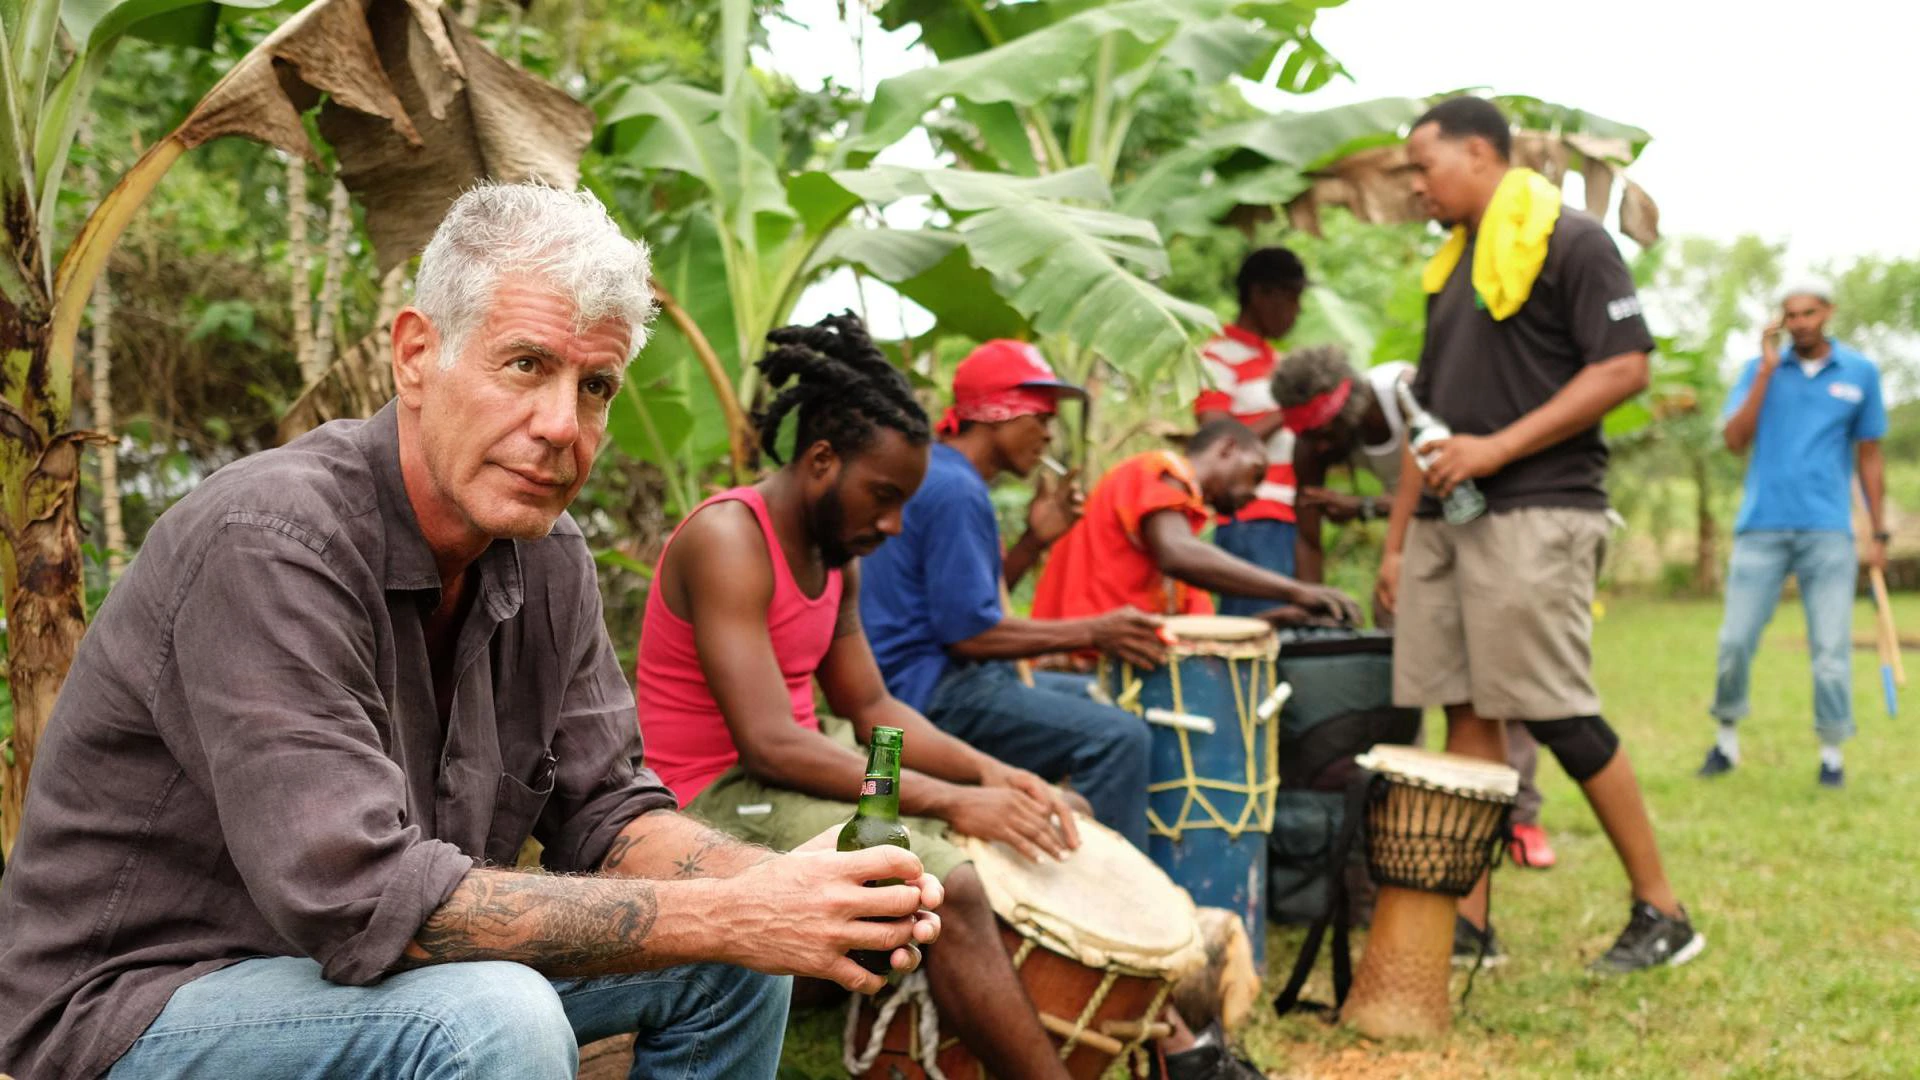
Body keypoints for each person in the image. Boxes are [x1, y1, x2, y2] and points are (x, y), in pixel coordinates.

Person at [0, 184, 942, 1080]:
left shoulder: (546, 554)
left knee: (738, 960)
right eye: (526, 365)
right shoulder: (272, 542)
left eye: (596, 386)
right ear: (416, 354)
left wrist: (785, 891)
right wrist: (731, 912)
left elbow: (610, 814)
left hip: (358, 980)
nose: (559, 426)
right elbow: (363, 897)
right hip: (140, 1007)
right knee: (495, 1013)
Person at [636, 313, 1098, 1080]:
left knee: (1040, 817)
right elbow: (770, 742)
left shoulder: (834, 555)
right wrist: (948, 801)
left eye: (901, 505)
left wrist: (987, 775)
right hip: (705, 795)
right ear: (821, 460)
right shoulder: (729, 540)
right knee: (947, 881)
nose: (889, 525)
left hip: (784, 775)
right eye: (880, 496)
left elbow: (875, 710)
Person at [1377, 97, 1704, 973]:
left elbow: (1626, 367)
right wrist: (1398, 539)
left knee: (1556, 709)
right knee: (1468, 712)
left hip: (1539, 510)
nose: (1415, 186)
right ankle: (1470, 927)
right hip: (1452, 521)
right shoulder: (1452, 269)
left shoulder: (1570, 239)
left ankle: (1663, 912)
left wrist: (1498, 450)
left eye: (1423, 166)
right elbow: (1428, 413)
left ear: (1479, 153)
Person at [859, 340, 1165, 849]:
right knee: (1119, 737)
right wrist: (1097, 630)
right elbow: (970, 635)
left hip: (942, 677)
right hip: (931, 693)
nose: (1047, 433)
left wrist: (1033, 541)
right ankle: (1108, 905)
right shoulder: (957, 489)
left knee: (1093, 697)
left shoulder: (946, 475)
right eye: (1040, 417)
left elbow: (963, 606)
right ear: (997, 415)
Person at [1275, 345, 1558, 871]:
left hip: (1477, 529)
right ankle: (1415, 800)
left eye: (1325, 433)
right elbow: (1308, 538)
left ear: (1352, 403)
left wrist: (1364, 510)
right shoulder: (1311, 444)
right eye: (1307, 436)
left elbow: (1455, 479)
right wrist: (1310, 610)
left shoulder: (1405, 393)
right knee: (1408, 681)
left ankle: (1521, 815)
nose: (1317, 446)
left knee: (1499, 683)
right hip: (1409, 554)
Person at [1704, 284, 1888, 787]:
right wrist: (1765, 368)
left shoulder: (1859, 374)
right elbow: (1734, 441)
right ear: (1780, 322)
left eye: (1809, 312)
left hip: (1828, 530)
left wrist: (1879, 530)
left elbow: (1869, 456)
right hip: (1760, 527)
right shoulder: (1759, 371)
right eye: (1791, 315)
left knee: (1831, 650)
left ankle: (1832, 755)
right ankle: (1725, 741)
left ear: (1827, 313)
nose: (1802, 322)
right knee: (1735, 641)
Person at [1030, 420, 1360, 627]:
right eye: (1255, 474)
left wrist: (1274, 621)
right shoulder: (1162, 468)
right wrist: (1296, 590)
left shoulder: (1181, 533)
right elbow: (1176, 554)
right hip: (1074, 661)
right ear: (1228, 449)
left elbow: (1198, 635)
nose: (1253, 494)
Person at [1193, 248, 1310, 614]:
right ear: (1260, 294)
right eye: (1291, 298)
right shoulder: (1217, 357)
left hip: (1291, 519)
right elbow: (1216, 443)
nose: (1297, 311)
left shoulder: (1276, 363)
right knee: (1255, 637)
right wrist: (1288, 412)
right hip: (1251, 518)